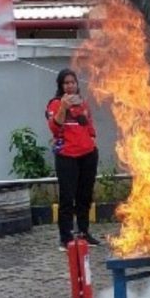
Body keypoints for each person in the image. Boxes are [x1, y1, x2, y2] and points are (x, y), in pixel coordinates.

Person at [46, 69, 100, 250]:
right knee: (67, 198)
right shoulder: (55, 104)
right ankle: (66, 237)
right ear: (61, 86)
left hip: (88, 155)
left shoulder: (83, 103)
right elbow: (55, 128)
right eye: (66, 83)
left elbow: (89, 125)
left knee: (85, 196)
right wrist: (64, 107)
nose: (70, 86)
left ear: (77, 84)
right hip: (67, 156)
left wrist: (92, 139)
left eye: (73, 82)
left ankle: (83, 232)